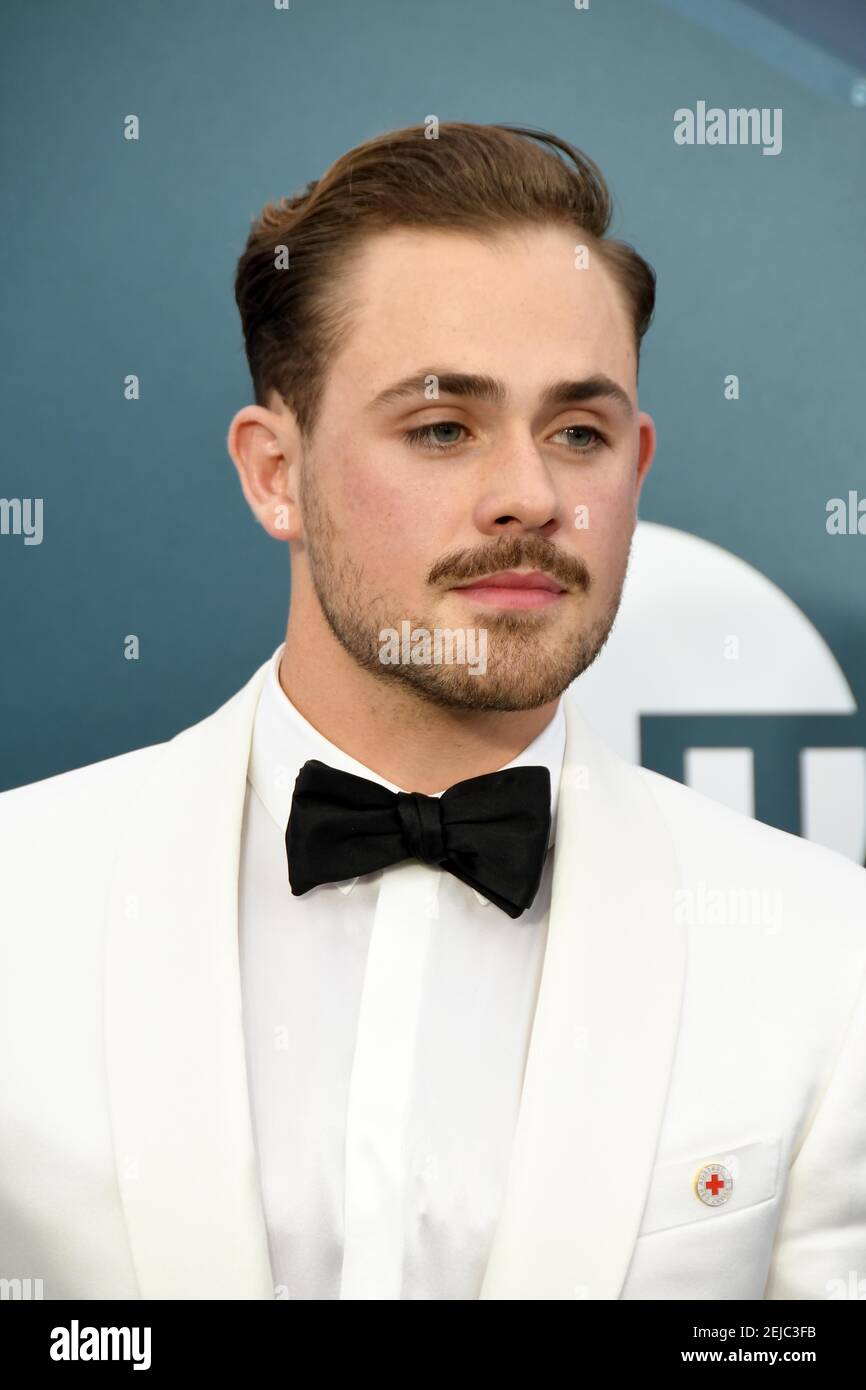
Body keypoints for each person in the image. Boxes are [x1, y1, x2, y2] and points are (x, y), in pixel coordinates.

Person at [1, 122, 865, 1302]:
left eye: (577, 432)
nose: (528, 496)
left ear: (636, 463)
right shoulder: (20, 900)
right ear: (273, 473)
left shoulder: (827, 955)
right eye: (441, 427)